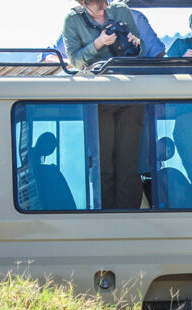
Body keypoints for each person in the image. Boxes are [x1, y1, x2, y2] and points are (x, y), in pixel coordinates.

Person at [63, 0, 145, 209]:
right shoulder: (72, 20)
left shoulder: (121, 11)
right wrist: (98, 43)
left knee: (128, 164)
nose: (104, 9)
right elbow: (74, 60)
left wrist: (136, 45)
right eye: (98, 6)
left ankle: (127, 220)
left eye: (106, 3)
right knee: (103, 166)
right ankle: (106, 218)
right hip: (97, 100)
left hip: (129, 95)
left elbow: (140, 52)